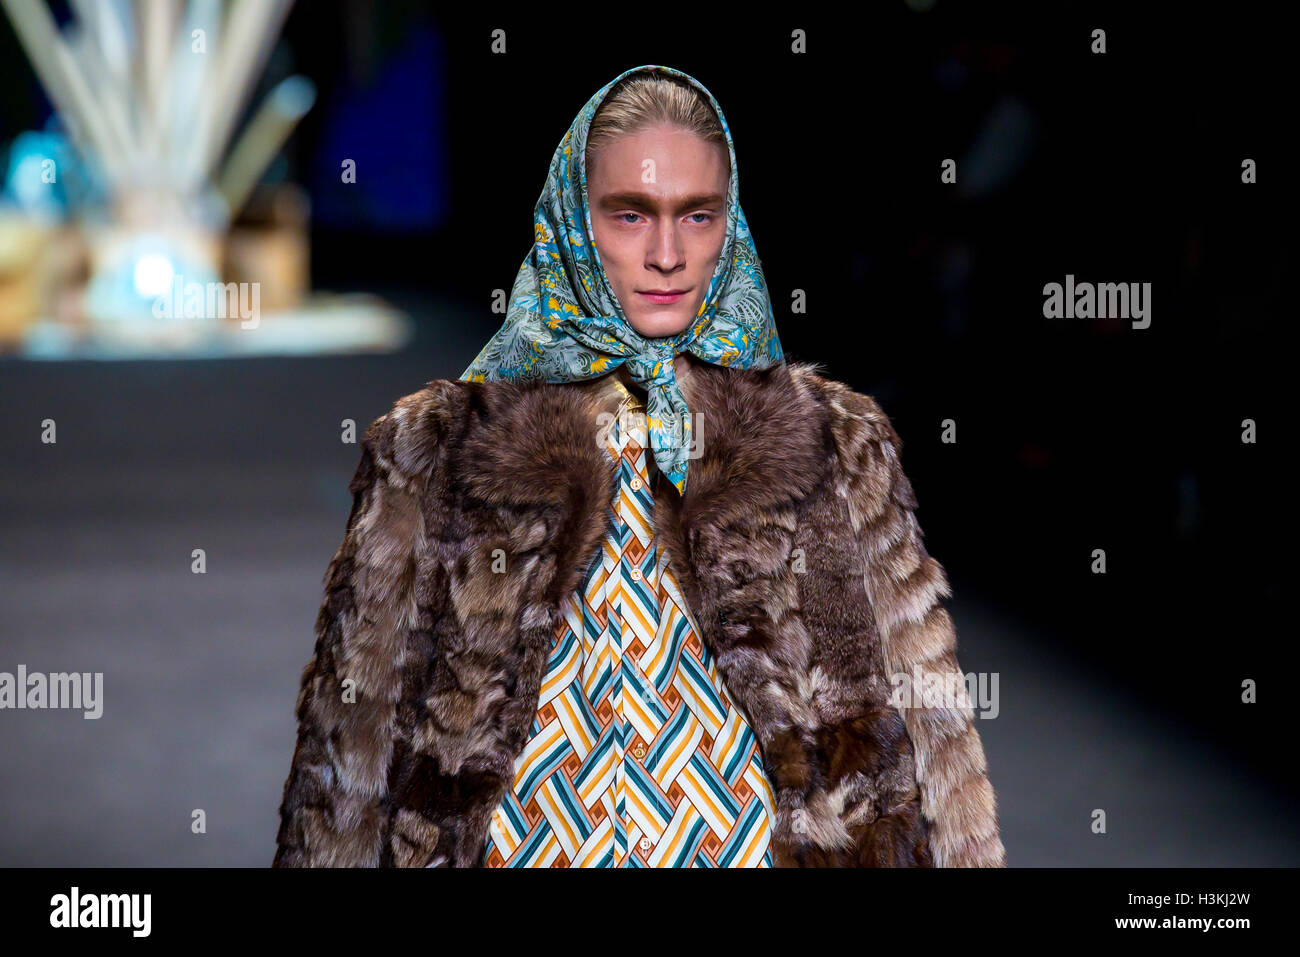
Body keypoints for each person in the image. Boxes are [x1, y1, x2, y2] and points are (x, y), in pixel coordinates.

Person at [273, 64, 1006, 868]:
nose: (667, 254)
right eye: (630, 215)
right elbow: (352, 750)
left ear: (733, 225)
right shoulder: (437, 451)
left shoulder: (832, 442)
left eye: (698, 215)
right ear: (572, 222)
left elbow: (935, 732)